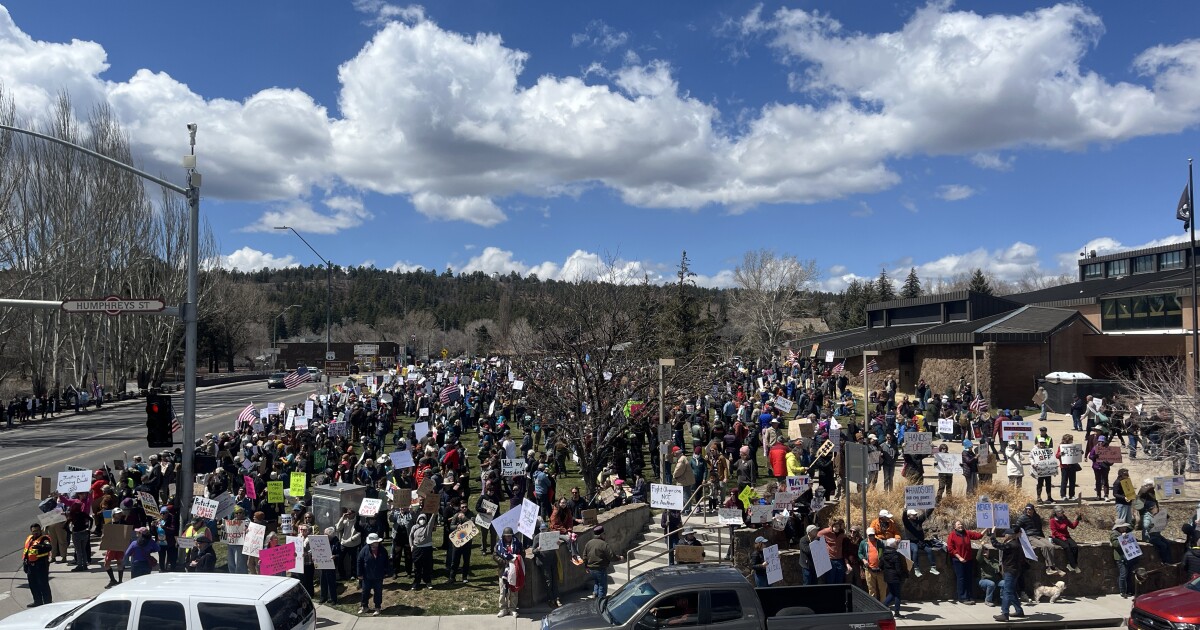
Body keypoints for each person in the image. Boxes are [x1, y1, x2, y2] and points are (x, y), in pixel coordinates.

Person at [989, 527, 1027, 622]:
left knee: (1007, 592)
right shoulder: (1016, 544)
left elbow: (996, 545)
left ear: (1009, 535)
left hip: (1011, 571)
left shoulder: (1012, 545)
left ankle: (1005, 614)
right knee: (1012, 591)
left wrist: (992, 534)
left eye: (1005, 534)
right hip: (1014, 571)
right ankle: (1019, 611)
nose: (1004, 536)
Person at [1013, 503, 1062, 575]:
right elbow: (1016, 527)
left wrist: (1043, 537)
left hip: (1038, 535)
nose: (1028, 511)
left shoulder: (1037, 517)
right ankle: (1049, 567)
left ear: (1033, 510)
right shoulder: (1022, 518)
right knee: (1044, 546)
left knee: (1051, 546)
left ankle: (1053, 566)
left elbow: (1040, 528)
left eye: (1030, 509)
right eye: (1027, 509)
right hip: (1029, 536)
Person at [946, 519, 982, 603]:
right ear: (955, 527)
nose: (960, 525)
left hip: (968, 559)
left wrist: (986, 529)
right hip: (958, 560)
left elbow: (978, 536)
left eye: (961, 524)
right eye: (958, 524)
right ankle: (962, 597)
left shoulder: (966, 533)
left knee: (968, 578)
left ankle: (969, 596)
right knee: (961, 579)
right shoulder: (952, 535)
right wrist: (959, 557)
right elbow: (950, 548)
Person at [357, 533, 389, 616]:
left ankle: (377, 608)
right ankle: (364, 606)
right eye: (374, 542)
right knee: (365, 592)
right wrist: (359, 574)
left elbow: (386, 562)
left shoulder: (382, 550)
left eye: (377, 542)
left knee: (378, 592)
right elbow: (359, 561)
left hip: (378, 576)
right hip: (367, 576)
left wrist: (386, 572)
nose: (376, 544)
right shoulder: (364, 550)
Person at [583, 525, 619, 599]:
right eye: (604, 534)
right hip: (600, 568)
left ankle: (595, 595)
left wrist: (586, 566)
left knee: (597, 582)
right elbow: (612, 556)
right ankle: (600, 602)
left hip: (591, 569)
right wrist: (619, 558)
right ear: (601, 534)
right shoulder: (604, 544)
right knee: (602, 586)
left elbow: (584, 556)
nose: (605, 535)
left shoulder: (589, 543)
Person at [902, 509, 939, 578]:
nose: (916, 515)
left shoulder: (918, 520)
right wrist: (905, 511)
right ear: (909, 516)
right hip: (912, 542)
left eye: (916, 514)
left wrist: (932, 506)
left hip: (920, 542)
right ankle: (916, 569)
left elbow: (926, 514)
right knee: (915, 550)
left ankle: (933, 567)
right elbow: (904, 518)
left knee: (929, 550)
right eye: (913, 515)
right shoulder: (907, 522)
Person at [496, 527, 524, 617]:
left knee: (513, 590)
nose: (508, 537)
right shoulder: (499, 544)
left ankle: (512, 608)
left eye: (510, 536)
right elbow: (494, 555)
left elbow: (522, 553)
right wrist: (503, 561)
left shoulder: (517, 544)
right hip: (503, 571)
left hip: (514, 571)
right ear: (504, 536)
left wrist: (516, 558)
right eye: (506, 536)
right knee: (503, 590)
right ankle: (503, 609)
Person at [23, 523, 53, 607]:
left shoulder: (44, 539)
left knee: (43, 584)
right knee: (33, 584)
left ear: (40, 530)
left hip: (41, 565)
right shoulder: (30, 539)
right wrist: (25, 563)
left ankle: (47, 603)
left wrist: (41, 546)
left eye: (37, 531)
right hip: (30, 566)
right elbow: (26, 552)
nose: (35, 532)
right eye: (34, 531)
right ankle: (37, 601)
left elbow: (49, 547)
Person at [1049, 507, 1083, 573]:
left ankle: (1071, 564)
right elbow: (1054, 531)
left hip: (1066, 536)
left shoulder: (1064, 519)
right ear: (1056, 513)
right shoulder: (1052, 520)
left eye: (1062, 512)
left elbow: (1072, 526)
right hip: (1056, 537)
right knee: (1067, 547)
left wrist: (1077, 520)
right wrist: (1062, 537)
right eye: (1060, 512)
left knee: (1074, 546)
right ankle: (1074, 565)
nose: (1062, 513)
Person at [880, 538, 907, 618]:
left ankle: (883, 606)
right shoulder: (895, 555)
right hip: (895, 577)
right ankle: (897, 612)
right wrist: (902, 576)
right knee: (897, 595)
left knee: (892, 593)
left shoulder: (884, 554)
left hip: (887, 576)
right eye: (896, 543)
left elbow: (880, 565)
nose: (897, 544)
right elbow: (898, 568)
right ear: (893, 545)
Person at [409, 512, 436, 590]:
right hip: (417, 548)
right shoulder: (414, 527)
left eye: (423, 519)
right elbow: (410, 536)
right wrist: (411, 545)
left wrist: (434, 513)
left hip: (426, 548)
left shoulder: (428, 527)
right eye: (420, 518)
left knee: (427, 566)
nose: (422, 520)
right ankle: (416, 582)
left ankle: (427, 581)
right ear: (418, 519)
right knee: (417, 566)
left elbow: (431, 521)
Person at [1111, 520, 1138, 597]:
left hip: (1128, 556)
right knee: (1123, 574)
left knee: (1129, 574)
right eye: (1124, 526)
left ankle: (1129, 591)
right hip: (1120, 557)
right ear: (1119, 527)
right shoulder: (1114, 534)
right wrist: (1123, 537)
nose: (1126, 527)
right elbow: (1115, 544)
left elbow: (1131, 527)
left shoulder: (1126, 531)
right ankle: (1122, 591)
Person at [817, 519, 847, 584]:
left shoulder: (842, 533)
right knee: (830, 579)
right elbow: (817, 535)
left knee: (840, 579)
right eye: (835, 526)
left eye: (838, 526)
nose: (837, 528)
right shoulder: (826, 532)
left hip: (840, 559)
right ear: (831, 526)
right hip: (830, 559)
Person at [859, 527, 885, 601]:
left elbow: (884, 553)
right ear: (867, 535)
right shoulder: (863, 543)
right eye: (870, 535)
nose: (871, 537)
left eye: (872, 535)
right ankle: (874, 604)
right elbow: (859, 553)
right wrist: (864, 560)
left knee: (882, 588)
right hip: (869, 569)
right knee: (871, 589)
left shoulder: (880, 542)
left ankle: (884, 604)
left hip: (880, 569)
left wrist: (881, 562)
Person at [1055, 434, 1081, 502]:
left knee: (1072, 481)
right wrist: (1060, 454)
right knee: (1064, 481)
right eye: (1070, 440)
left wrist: (1080, 452)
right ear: (1066, 440)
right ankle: (1063, 495)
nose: (1071, 441)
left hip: (1072, 466)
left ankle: (1071, 495)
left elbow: (1077, 454)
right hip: (1064, 467)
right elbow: (1057, 456)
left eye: (1071, 440)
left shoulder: (1073, 446)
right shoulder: (1061, 447)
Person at [319, 527, 340, 605]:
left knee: (331, 582)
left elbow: (339, 554)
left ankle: (333, 598)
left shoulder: (336, 543)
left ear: (331, 536)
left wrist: (335, 556)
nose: (324, 536)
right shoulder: (321, 541)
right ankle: (323, 597)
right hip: (322, 563)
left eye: (326, 535)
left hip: (331, 564)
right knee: (322, 580)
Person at [1088, 436, 1113, 501]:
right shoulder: (1095, 448)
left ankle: (1106, 495)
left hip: (1105, 467)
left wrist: (1110, 462)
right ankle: (1098, 495)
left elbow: (1112, 458)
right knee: (1098, 481)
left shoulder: (1108, 449)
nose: (1100, 442)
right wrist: (1094, 456)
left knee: (1105, 481)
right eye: (1099, 441)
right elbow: (1090, 456)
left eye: (1102, 441)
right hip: (1097, 467)